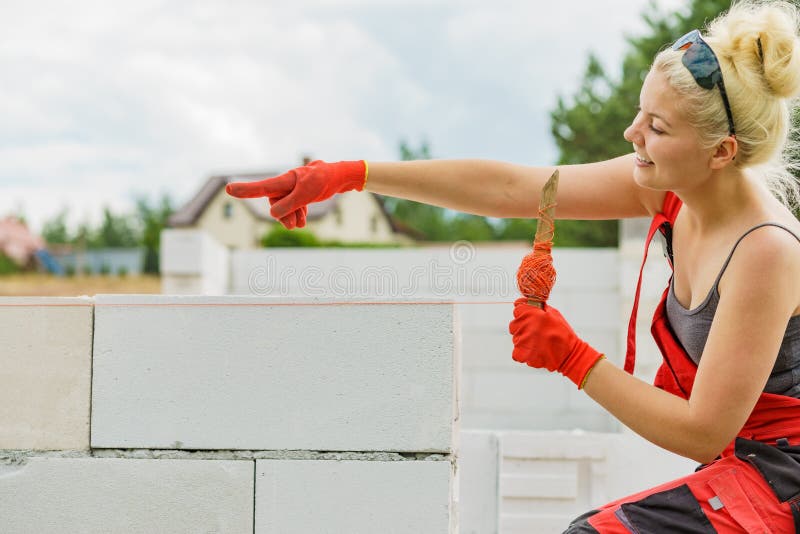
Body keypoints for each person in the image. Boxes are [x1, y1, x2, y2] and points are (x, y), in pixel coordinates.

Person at [226, 1, 800, 530]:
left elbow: (702, 430)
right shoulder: (670, 189)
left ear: (722, 151)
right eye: (639, 113)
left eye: (657, 128)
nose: (632, 136)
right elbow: (511, 188)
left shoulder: (766, 252)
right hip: (742, 469)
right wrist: (350, 175)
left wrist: (573, 358)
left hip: (784, 480)